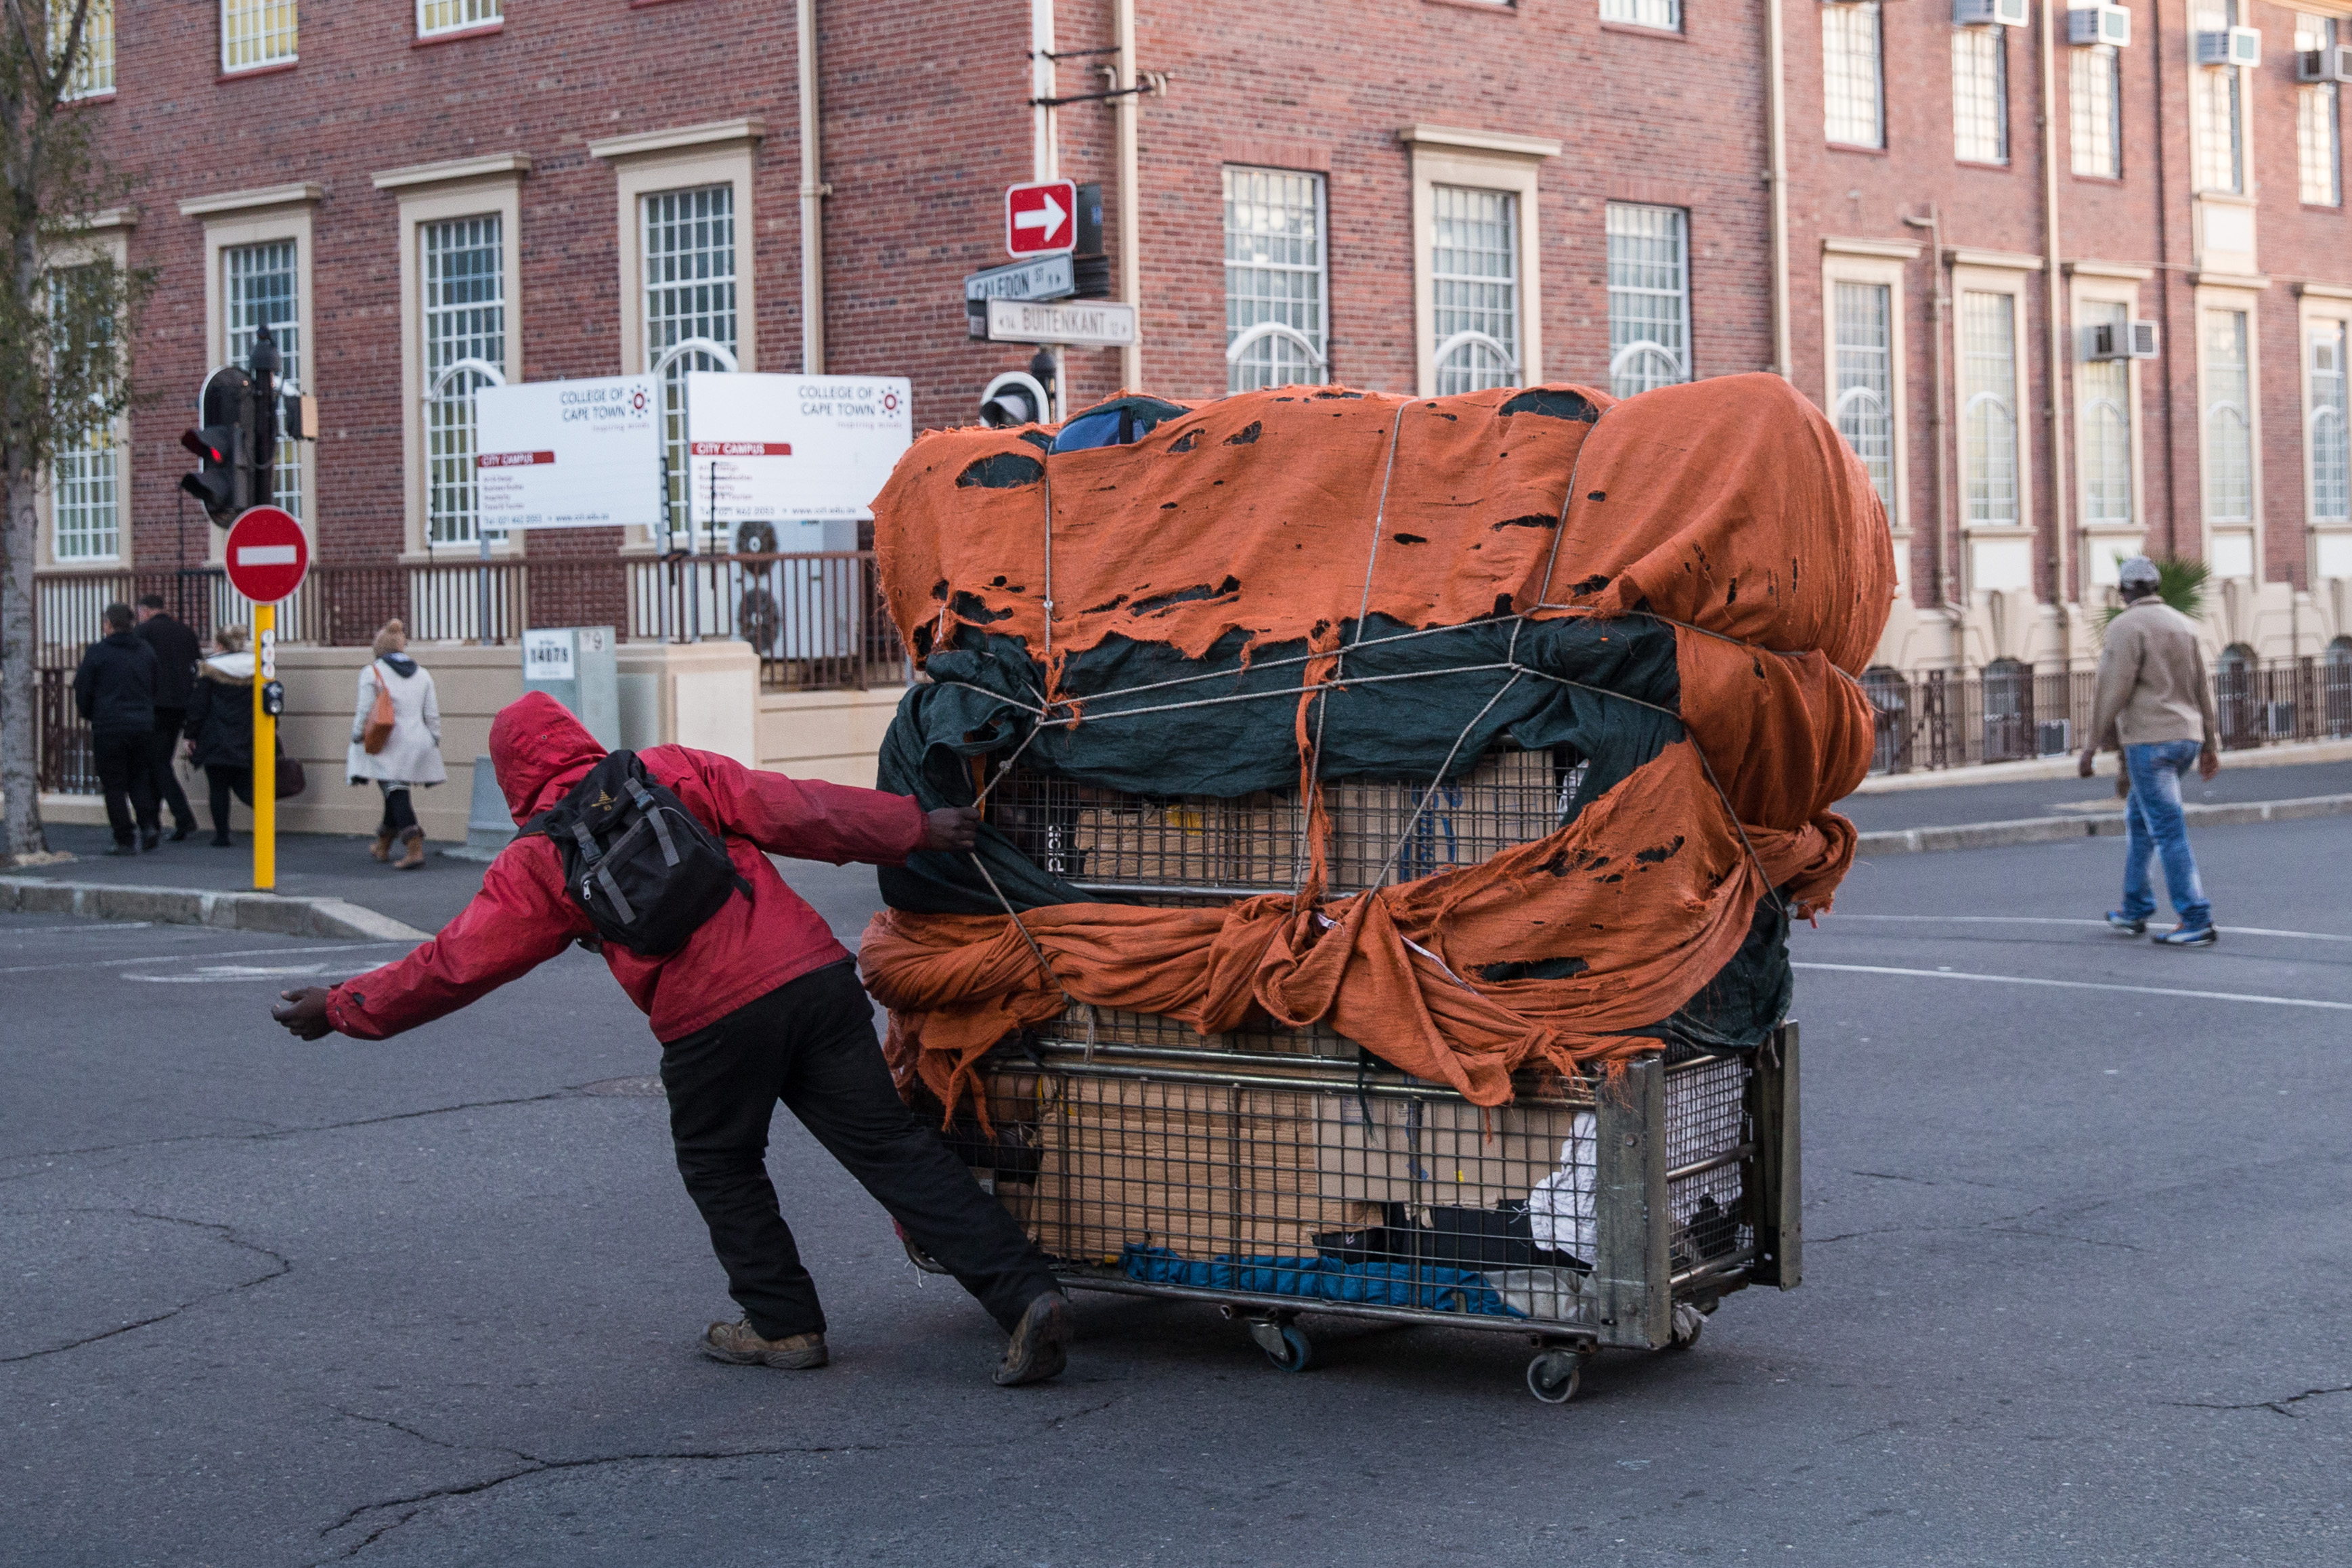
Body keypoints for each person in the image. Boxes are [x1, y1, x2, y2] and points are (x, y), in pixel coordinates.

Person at [269, 691, 1072, 1386]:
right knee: (891, 1147)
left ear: (514, 776)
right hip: (813, 977)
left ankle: (783, 1324)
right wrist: (915, 826)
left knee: (721, 1161)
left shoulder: (537, 858)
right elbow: (795, 806)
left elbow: (453, 966)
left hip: (711, 1020)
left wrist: (344, 1008)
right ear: (576, 734)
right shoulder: (668, 770)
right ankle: (1026, 1294)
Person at [2078, 555, 2222, 946]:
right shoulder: (2183, 624)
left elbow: (2113, 689)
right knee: (2141, 820)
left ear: (2125, 591)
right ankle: (2134, 909)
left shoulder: (2125, 627)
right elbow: (2203, 689)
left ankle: (2195, 918)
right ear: (2156, 587)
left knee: (2167, 829)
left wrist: (2091, 745)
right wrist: (2210, 744)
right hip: (2186, 738)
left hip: (2150, 741)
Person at [345, 619, 446, 870]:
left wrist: (357, 735)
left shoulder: (372, 672)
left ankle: (414, 846)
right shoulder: (423, 674)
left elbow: (364, 709)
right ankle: (383, 845)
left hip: (386, 742)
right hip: (418, 741)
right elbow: (432, 714)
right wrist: (434, 738)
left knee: (395, 790)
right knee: (393, 789)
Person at [71, 603, 162, 856]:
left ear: (109, 625)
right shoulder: (145, 651)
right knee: (139, 779)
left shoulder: (98, 653)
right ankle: (148, 826)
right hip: (142, 725)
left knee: (114, 785)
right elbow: (155, 685)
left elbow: (84, 689)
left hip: (110, 725)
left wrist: (92, 714)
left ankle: (124, 838)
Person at [133, 595, 202, 842]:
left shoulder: (143, 633)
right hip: (181, 706)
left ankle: (182, 817)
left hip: (154, 706)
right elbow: (196, 666)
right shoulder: (185, 632)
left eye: (140, 612)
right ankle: (154, 821)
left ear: (146, 611)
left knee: (157, 764)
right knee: (158, 762)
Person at [183, 626, 256, 848]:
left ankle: (222, 835)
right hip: (247, 734)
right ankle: (265, 824)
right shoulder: (256, 667)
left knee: (218, 788)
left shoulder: (210, 669)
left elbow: (199, 705)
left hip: (215, 736)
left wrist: (190, 735)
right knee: (246, 786)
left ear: (220, 645)